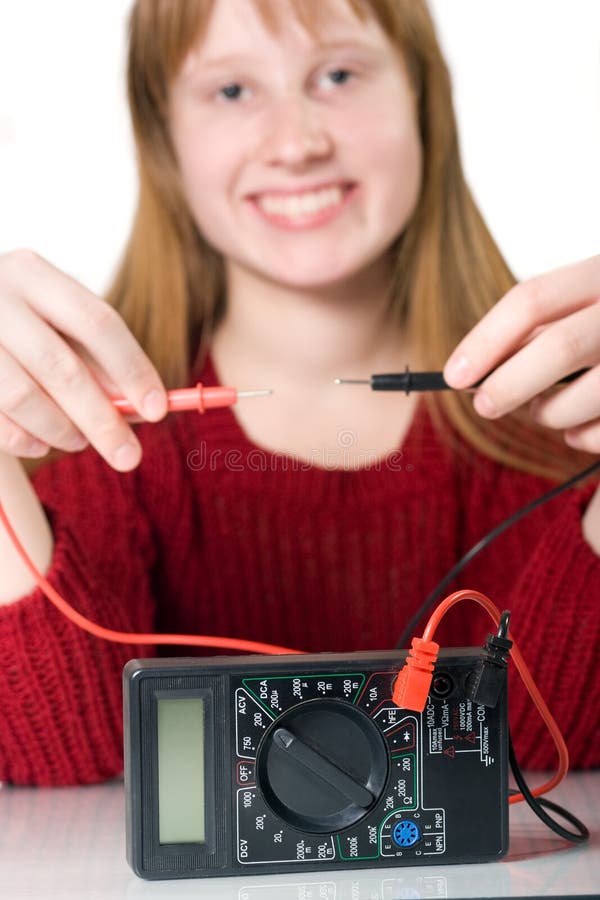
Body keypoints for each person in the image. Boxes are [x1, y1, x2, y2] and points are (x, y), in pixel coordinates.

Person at [0, 0, 598, 787]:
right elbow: (69, 777)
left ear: (425, 98)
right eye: (232, 92)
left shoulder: (567, 438)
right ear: (163, 139)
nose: (296, 144)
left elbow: (549, 759)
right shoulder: (85, 456)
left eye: (339, 75)